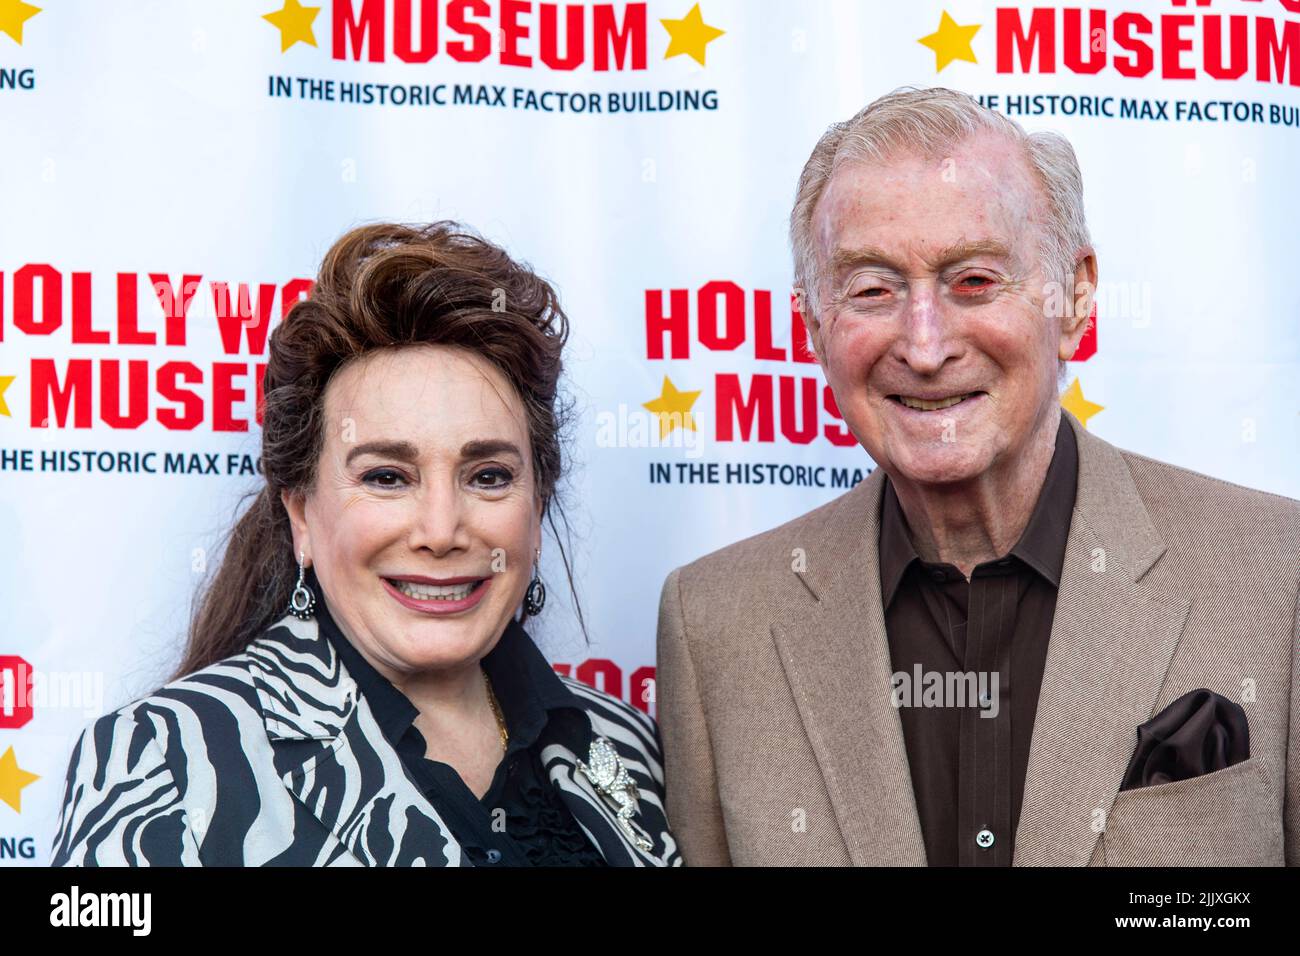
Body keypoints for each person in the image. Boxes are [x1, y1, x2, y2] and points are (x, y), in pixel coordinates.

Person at [656, 87, 1300, 866]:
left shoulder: (1275, 574)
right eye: (871, 290)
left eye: (974, 281)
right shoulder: (715, 625)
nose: (924, 347)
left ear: (1075, 296)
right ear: (816, 325)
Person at [51, 222, 679, 867]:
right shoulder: (164, 755)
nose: (441, 530)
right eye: (386, 477)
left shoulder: (625, 743)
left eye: (489, 476)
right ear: (301, 516)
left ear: (537, 507)